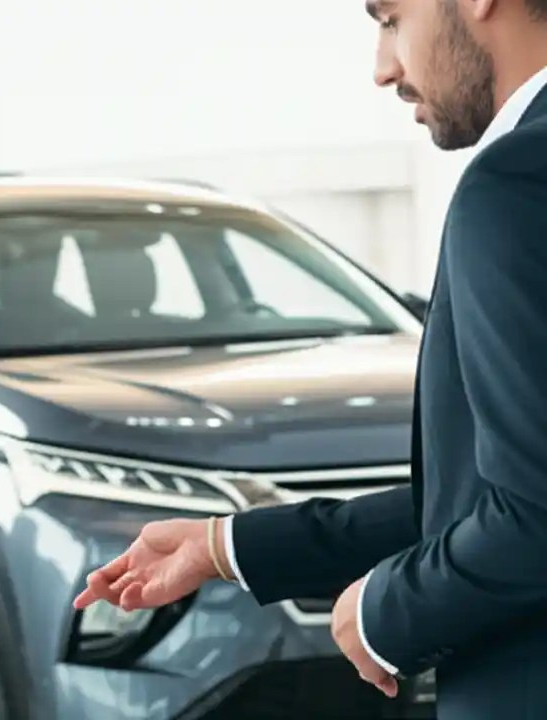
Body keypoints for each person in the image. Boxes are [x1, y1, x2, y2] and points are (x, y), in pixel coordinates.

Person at [74, 1, 547, 716]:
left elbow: (535, 511)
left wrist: (387, 613)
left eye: (390, 18)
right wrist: (224, 545)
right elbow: (480, 499)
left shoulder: (512, 185)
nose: (384, 69)